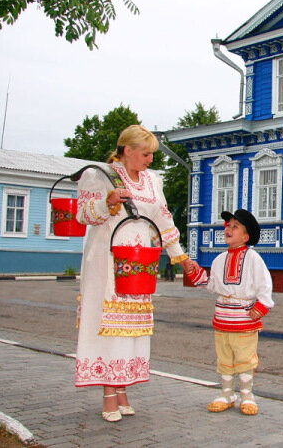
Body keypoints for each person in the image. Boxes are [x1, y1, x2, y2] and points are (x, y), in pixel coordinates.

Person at [74, 124, 199, 422]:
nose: (150, 160)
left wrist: (180, 257)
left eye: (151, 155)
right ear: (127, 151)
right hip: (107, 260)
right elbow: (82, 215)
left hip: (140, 259)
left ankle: (122, 390)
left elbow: (163, 219)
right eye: (145, 154)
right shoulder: (99, 174)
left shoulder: (152, 181)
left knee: (131, 328)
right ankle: (108, 393)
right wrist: (108, 201)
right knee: (109, 325)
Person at [205, 209, 274, 415]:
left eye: (235, 226)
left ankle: (247, 395)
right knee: (224, 357)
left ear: (246, 236)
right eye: (228, 225)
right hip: (222, 318)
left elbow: (264, 284)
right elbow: (212, 286)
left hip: (243, 319)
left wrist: (261, 306)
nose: (229, 229)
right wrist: (194, 272)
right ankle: (226, 394)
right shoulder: (218, 260)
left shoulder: (253, 258)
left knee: (244, 358)